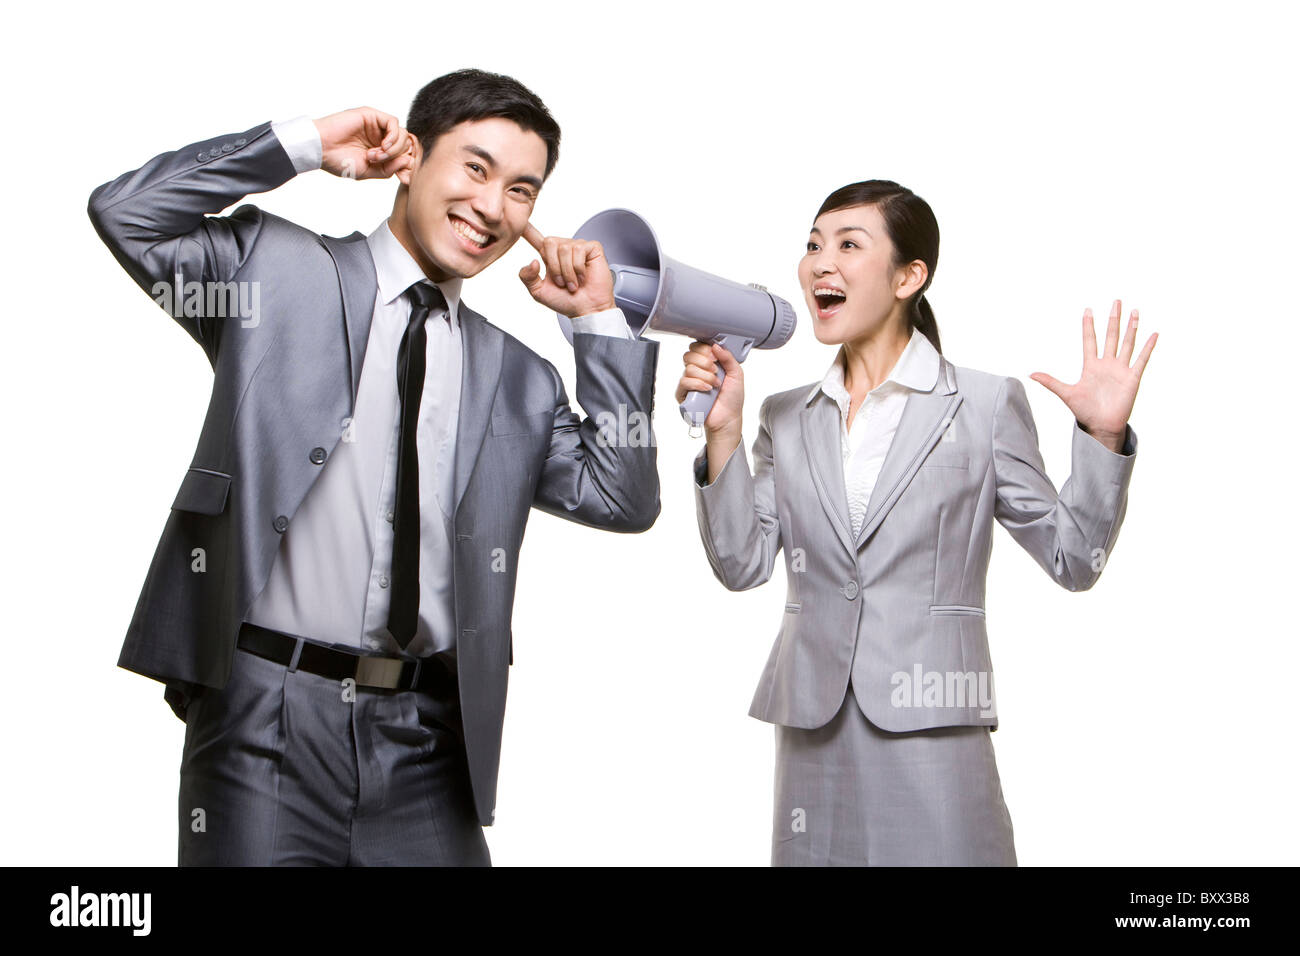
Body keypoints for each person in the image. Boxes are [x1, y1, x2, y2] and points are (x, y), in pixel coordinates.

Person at [88, 68, 660, 865]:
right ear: (413, 158)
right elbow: (126, 214)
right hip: (264, 721)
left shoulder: (520, 378)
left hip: (426, 742)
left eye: (522, 191)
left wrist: (601, 323)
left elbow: (623, 494)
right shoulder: (272, 272)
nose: (493, 208)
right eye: (475, 167)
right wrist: (302, 145)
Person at [679, 180, 1155, 866]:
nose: (821, 263)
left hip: (935, 722)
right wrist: (720, 434)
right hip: (813, 728)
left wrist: (1102, 438)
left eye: (849, 244)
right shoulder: (784, 414)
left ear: (909, 276)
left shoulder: (985, 404)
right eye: (813, 245)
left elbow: (1076, 558)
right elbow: (740, 564)